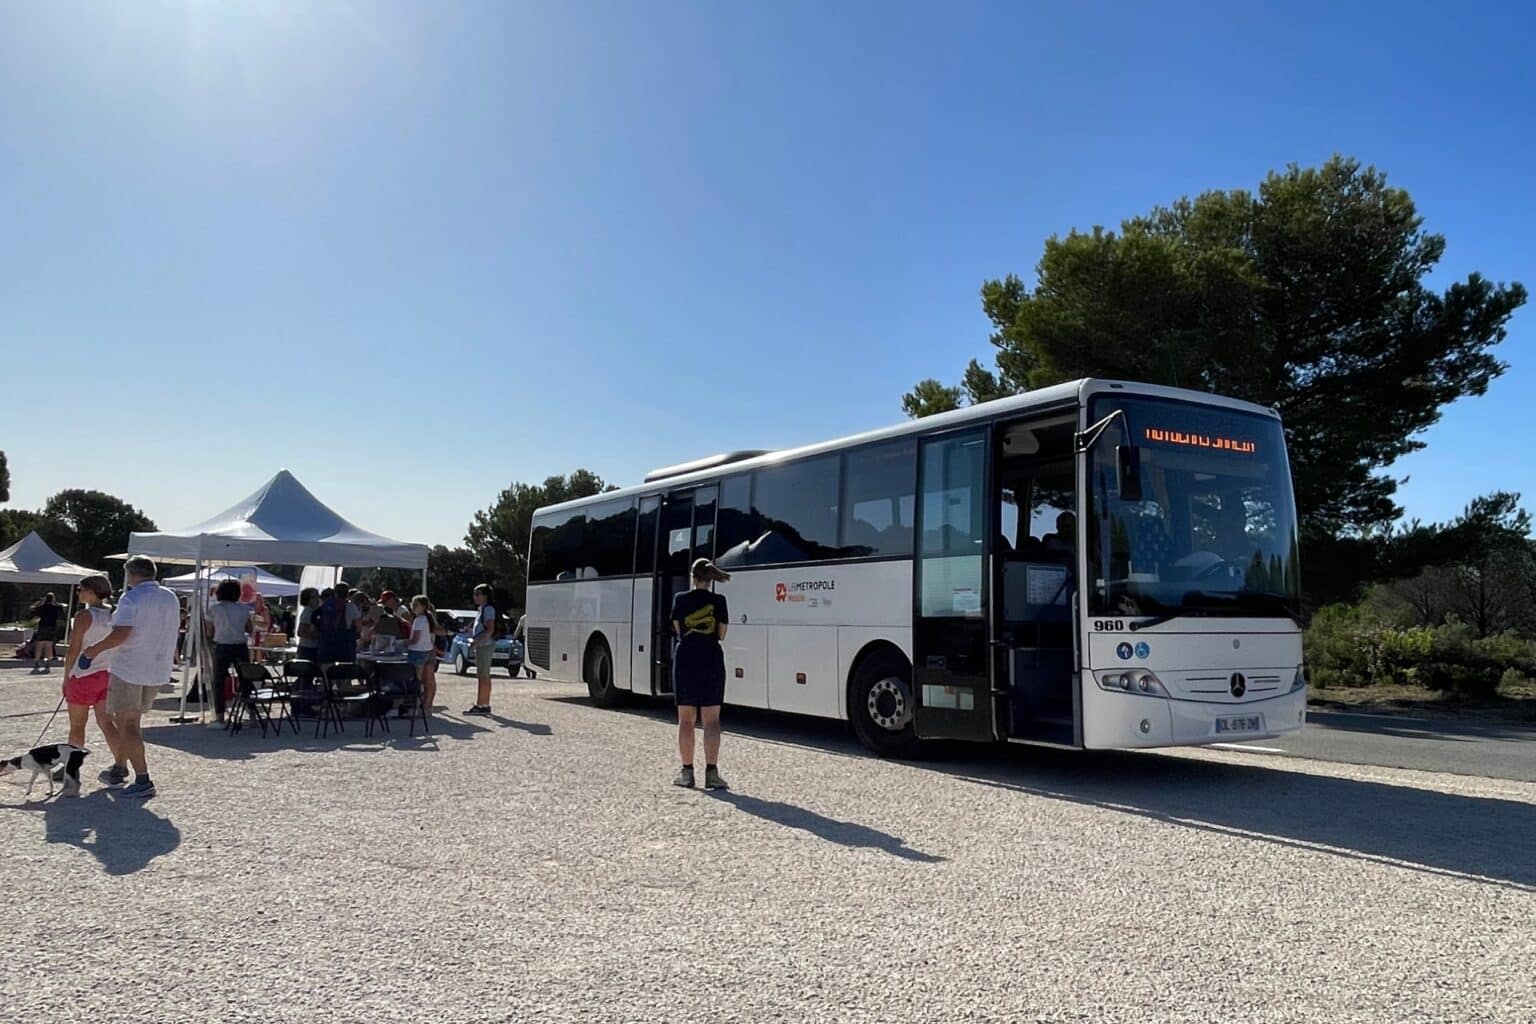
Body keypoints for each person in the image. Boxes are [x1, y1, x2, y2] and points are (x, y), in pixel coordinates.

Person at [83, 556, 180, 799]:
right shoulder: (169, 596)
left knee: (126, 723)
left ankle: (143, 778)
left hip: (130, 667)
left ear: (131, 574)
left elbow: (121, 633)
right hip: (157, 668)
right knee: (132, 722)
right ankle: (118, 767)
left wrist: (93, 650)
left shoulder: (132, 598)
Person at [670, 558, 731, 791]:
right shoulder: (719, 601)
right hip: (711, 659)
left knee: (686, 720)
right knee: (711, 720)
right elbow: (722, 633)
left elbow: (678, 629)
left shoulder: (680, 599)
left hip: (686, 659)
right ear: (711, 578)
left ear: (693, 577)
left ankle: (687, 773)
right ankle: (712, 774)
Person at [57, 575, 121, 796]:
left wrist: (66, 678)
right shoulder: (114, 613)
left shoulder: (84, 616)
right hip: (106, 673)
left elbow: (73, 649)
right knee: (106, 723)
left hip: (83, 675)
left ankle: (71, 775)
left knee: (77, 726)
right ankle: (119, 766)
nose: (78, 593)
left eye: (81, 589)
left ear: (92, 591)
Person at [203, 578, 253, 724]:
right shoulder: (244, 609)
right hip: (240, 646)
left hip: (222, 645)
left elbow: (209, 631)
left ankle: (220, 717)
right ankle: (251, 713)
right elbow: (249, 629)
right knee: (246, 680)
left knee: (218, 682)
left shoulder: (213, 609)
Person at [406, 595, 443, 715]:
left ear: (422, 606)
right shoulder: (429, 619)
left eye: (415, 605)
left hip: (417, 652)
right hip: (429, 652)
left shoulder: (418, 620)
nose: (413, 607)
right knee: (429, 682)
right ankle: (427, 707)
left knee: (416, 681)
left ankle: (415, 707)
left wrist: (403, 643)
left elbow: (415, 639)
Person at [464, 583, 497, 716]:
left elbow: (490, 629)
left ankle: (481, 705)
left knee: (483, 675)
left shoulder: (488, 609)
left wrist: (475, 641)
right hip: (482, 645)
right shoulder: (482, 609)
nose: (475, 597)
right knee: (483, 675)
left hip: (485, 645)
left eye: (478, 594)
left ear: (485, 595)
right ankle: (484, 703)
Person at [30, 592, 62, 673]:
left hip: (42, 627)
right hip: (51, 627)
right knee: (49, 645)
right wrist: (55, 602)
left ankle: (36, 662)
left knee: (39, 645)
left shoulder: (41, 607)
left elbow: (32, 608)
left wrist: (40, 602)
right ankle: (48, 663)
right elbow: (61, 608)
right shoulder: (56, 608)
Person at [295, 588, 322, 662]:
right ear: (307, 600)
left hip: (314, 648)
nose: (317, 599)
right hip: (307, 648)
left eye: (318, 596)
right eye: (313, 597)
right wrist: (315, 636)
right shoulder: (308, 612)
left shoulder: (316, 612)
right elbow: (300, 632)